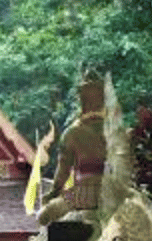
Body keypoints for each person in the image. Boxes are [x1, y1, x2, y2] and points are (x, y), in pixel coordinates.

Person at [38, 72, 106, 225]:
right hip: (114, 193)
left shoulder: (72, 133)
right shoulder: (117, 132)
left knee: (43, 216)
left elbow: (62, 174)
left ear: (82, 102)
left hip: (83, 195)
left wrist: (53, 194)